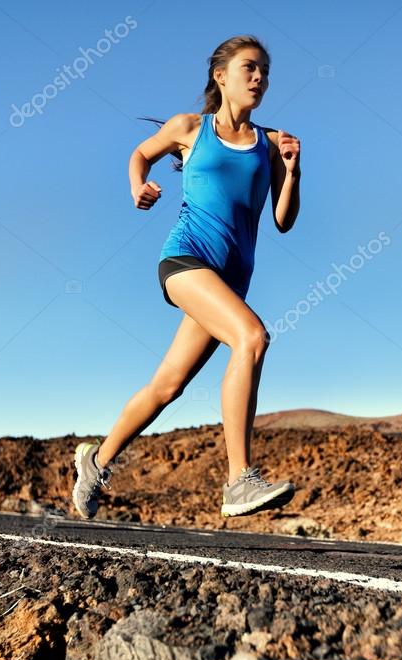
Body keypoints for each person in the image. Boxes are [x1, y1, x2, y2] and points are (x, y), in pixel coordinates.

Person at [72, 34, 302, 521]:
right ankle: (240, 479)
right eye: (249, 68)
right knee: (252, 338)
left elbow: (283, 220)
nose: (259, 78)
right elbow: (139, 154)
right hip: (186, 259)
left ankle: (96, 460)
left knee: (168, 386)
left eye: (265, 71)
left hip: (231, 280)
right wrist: (138, 186)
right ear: (222, 76)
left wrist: (293, 172)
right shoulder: (190, 128)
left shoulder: (271, 142)